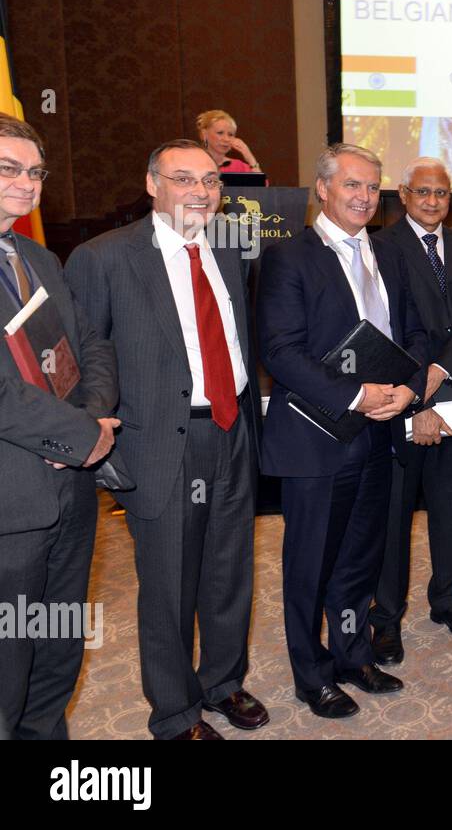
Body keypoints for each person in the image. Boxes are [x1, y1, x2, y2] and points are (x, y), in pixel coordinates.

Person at [66, 139, 265, 740]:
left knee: (230, 572)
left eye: (210, 181)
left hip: (232, 432)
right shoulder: (102, 258)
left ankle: (224, 682)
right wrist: (102, 441)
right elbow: (85, 360)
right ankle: (176, 712)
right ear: (152, 184)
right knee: (170, 584)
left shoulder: (231, 249)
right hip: (161, 445)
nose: (202, 192)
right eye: (185, 179)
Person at [258, 143, 428, 718]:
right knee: (312, 563)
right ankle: (312, 675)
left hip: (379, 432)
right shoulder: (290, 257)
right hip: (316, 436)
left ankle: (353, 654)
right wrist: (356, 394)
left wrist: (409, 389)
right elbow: (281, 352)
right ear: (323, 189)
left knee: (360, 558)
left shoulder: (389, 254)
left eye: (372, 187)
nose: (364, 197)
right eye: (352, 185)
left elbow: (415, 334)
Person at [0, 115, 117, 740]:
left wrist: (90, 419)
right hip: (10, 507)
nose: (26, 183)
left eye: (35, 171)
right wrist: (75, 437)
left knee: (56, 651)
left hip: (72, 493)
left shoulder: (38, 257)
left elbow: (89, 344)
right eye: (8, 169)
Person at [371, 157, 452, 652]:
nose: (433, 201)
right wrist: (418, 401)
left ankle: (446, 599)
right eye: (423, 192)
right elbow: (387, 330)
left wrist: (443, 378)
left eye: (441, 193)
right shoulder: (381, 246)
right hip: (402, 402)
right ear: (403, 194)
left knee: (449, 508)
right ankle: (387, 617)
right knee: (394, 517)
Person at [196, 110, 261, 174]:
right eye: (220, 133)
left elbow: (261, 184)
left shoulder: (239, 167)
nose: (226, 139)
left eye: (230, 135)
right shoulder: (192, 163)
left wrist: (250, 158)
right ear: (204, 134)